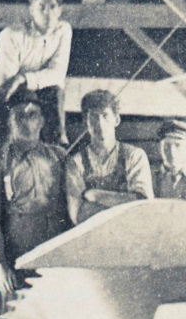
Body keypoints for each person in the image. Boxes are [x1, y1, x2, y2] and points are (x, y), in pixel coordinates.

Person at [0, 92, 70, 305]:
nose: (27, 120)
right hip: (17, 261)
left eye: (33, 114)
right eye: (20, 115)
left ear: (42, 121)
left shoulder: (60, 158)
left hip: (55, 260)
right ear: (10, 121)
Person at [0, 0, 71, 148]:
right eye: (41, 7)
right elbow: (5, 85)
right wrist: (22, 83)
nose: (48, 14)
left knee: (56, 92)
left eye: (52, 7)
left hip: (31, 84)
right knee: (3, 144)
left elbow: (57, 73)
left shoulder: (64, 31)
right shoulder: (11, 35)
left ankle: (57, 147)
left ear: (60, 11)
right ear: (31, 11)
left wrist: (22, 78)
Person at [65, 90, 154, 224]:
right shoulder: (76, 163)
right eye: (93, 117)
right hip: (93, 238)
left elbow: (143, 204)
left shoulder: (134, 156)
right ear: (85, 122)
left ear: (116, 119)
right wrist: (123, 201)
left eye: (105, 115)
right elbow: (78, 214)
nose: (100, 123)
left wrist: (96, 195)